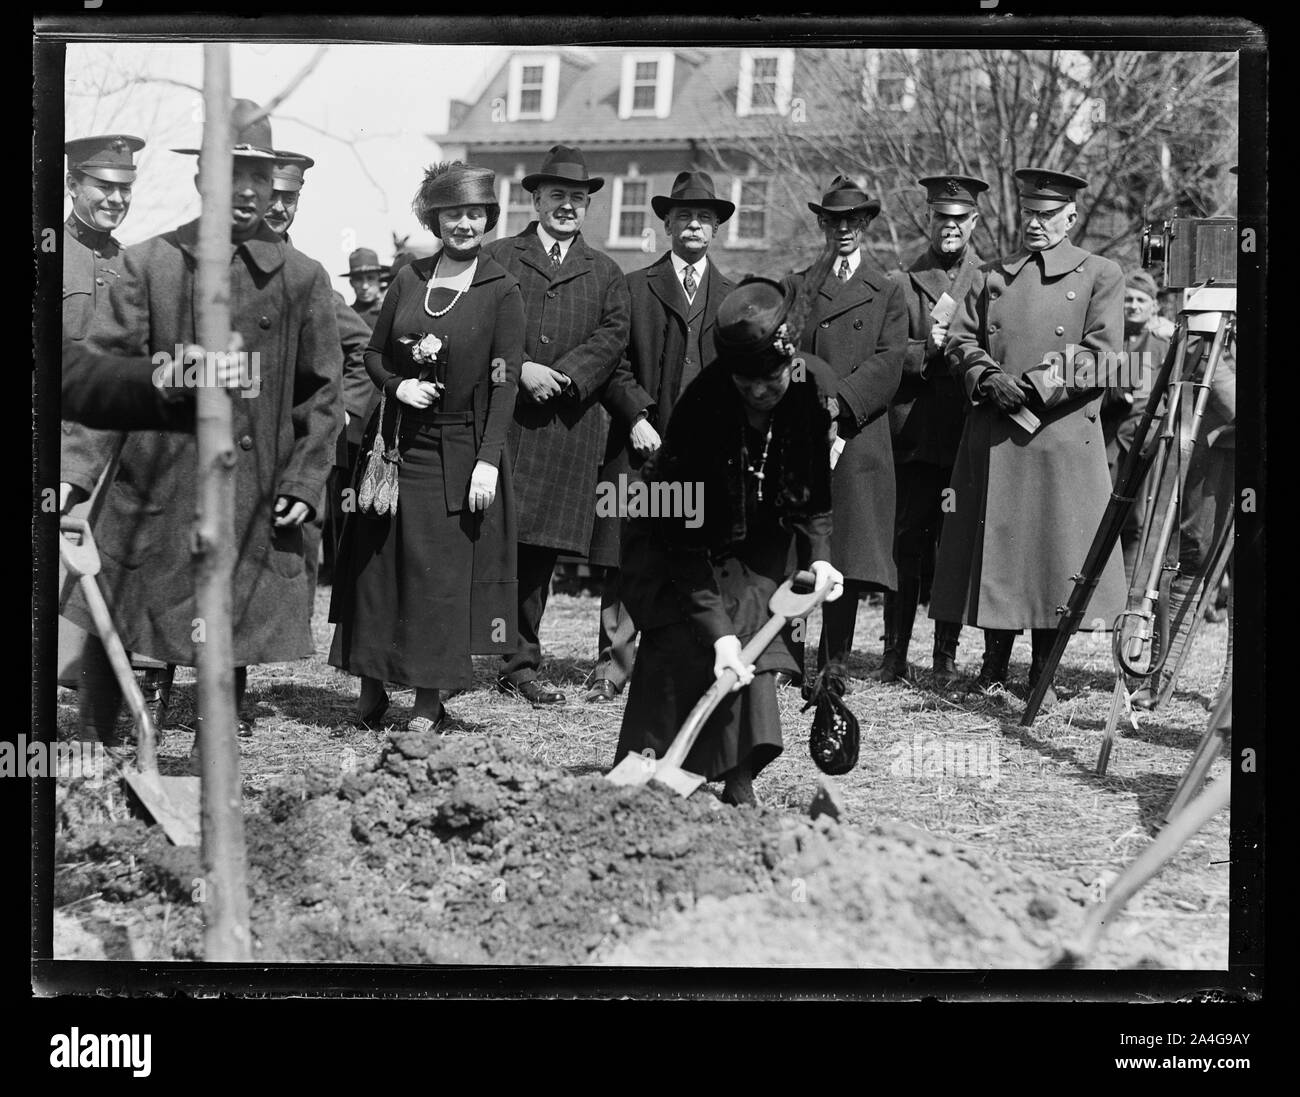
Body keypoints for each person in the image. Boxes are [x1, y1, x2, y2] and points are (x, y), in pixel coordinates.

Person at [62, 99, 342, 755]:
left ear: (271, 184)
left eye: (255, 176)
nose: (243, 190)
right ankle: (120, 744)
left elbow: (323, 393)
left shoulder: (302, 279)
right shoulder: (151, 264)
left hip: (250, 486)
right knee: (138, 618)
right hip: (154, 482)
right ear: (199, 180)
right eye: (227, 173)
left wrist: (305, 477)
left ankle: (213, 755)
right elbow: (104, 377)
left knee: (229, 627)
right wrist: (75, 477)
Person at [615, 278, 844, 806]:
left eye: (773, 380)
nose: (762, 393)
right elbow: (684, 550)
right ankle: (654, 772)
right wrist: (717, 634)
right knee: (690, 645)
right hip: (669, 536)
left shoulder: (807, 397)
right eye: (748, 385)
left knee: (753, 637)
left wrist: (822, 561)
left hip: (753, 540)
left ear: (792, 364)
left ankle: (739, 775)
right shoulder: (701, 416)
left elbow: (813, 500)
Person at [328, 162, 524, 732]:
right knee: (377, 569)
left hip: (459, 453)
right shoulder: (410, 278)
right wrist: (398, 384)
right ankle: (369, 689)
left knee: (436, 579)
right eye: (452, 213)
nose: (464, 224)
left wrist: (487, 459)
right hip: (392, 450)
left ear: (488, 217)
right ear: (435, 217)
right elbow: (371, 355)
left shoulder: (500, 289)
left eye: (474, 213)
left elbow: (505, 379)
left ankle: (426, 702)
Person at [931, 167, 1127, 707]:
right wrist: (987, 377)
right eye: (1029, 214)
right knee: (1000, 549)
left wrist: (1040, 385)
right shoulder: (990, 275)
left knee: (1053, 554)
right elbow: (959, 342)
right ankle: (993, 667)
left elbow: (1104, 354)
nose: (1035, 224)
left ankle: (1045, 668)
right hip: (998, 432)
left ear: (1071, 217)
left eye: (1047, 215)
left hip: (1060, 436)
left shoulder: (1100, 273)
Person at [482, 144, 631, 706]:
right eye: (557, 196)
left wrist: (564, 376)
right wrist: (521, 369)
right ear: (536, 199)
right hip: (507, 420)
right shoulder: (498, 257)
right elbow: (483, 328)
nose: (567, 206)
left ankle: (518, 663)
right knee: (489, 543)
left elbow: (613, 338)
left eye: (577, 198)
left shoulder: (607, 272)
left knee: (539, 553)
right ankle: (464, 651)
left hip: (568, 429)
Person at [584, 170, 736, 703]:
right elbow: (613, 364)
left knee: (701, 554)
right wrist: (637, 417)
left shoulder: (733, 298)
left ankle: (694, 659)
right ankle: (614, 665)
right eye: (684, 217)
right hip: (641, 443)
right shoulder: (633, 287)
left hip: (706, 451)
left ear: (715, 229)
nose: (694, 226)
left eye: (704, 218)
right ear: (667, 225)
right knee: (628, 552)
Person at [786, 175, 905, 689]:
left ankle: (834, 663)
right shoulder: (798, 285)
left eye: (854, 221)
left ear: (867, 225)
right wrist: (810, 404)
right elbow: (785, 353)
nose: (845, 230)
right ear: (821, 224)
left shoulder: (887, 291)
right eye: (835, 221)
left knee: (847, 555)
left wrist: (841, 405)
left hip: (858, 436)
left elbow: (890, 362)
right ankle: (786, 660)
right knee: (797, 551)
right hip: (803, 431)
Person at [883, 174, 988, 684]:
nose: (949, 228)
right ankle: (894, 655)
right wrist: (928, 351)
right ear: (929, 220)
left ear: (974, 222)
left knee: (958, 547)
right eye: (940, 218)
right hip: (917, 438)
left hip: (968, 436)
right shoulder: (901, 283)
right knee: (909, 545)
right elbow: (886, 355)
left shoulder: (990, 280)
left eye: (958, 220)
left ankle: (944, 657)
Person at [58, 133, 147, 693]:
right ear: (71, 185)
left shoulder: (133, 266)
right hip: (49, 440)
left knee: (91, 577)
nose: (115, 199)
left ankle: (82, 689)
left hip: (106, 450)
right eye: (103, 186)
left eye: (124, 189)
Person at [263, 152, 375, 595]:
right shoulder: (216, 265)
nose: (278, 208)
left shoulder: (308, 274)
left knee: (294, 552)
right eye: (271, 195)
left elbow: (361, 346)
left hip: (289, 441)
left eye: (289, 198)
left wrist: (333, 411)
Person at [1102, 268, 1168, 580]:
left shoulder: (1163, 342)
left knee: (1136, 519)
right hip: (1106, 440)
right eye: (1127, 298)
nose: (1133, 304)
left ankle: (1128, 587)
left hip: (1143, 444)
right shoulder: (1106, 336)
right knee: (1102, 512)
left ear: (1154, 306)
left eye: (1141, 299)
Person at [344, 247, 387, 329]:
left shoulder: (390, 314)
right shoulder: (346, 317)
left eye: (370, 278)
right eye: (358, 279)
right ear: (351, 283)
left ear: (380, 279)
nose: (365, 286)